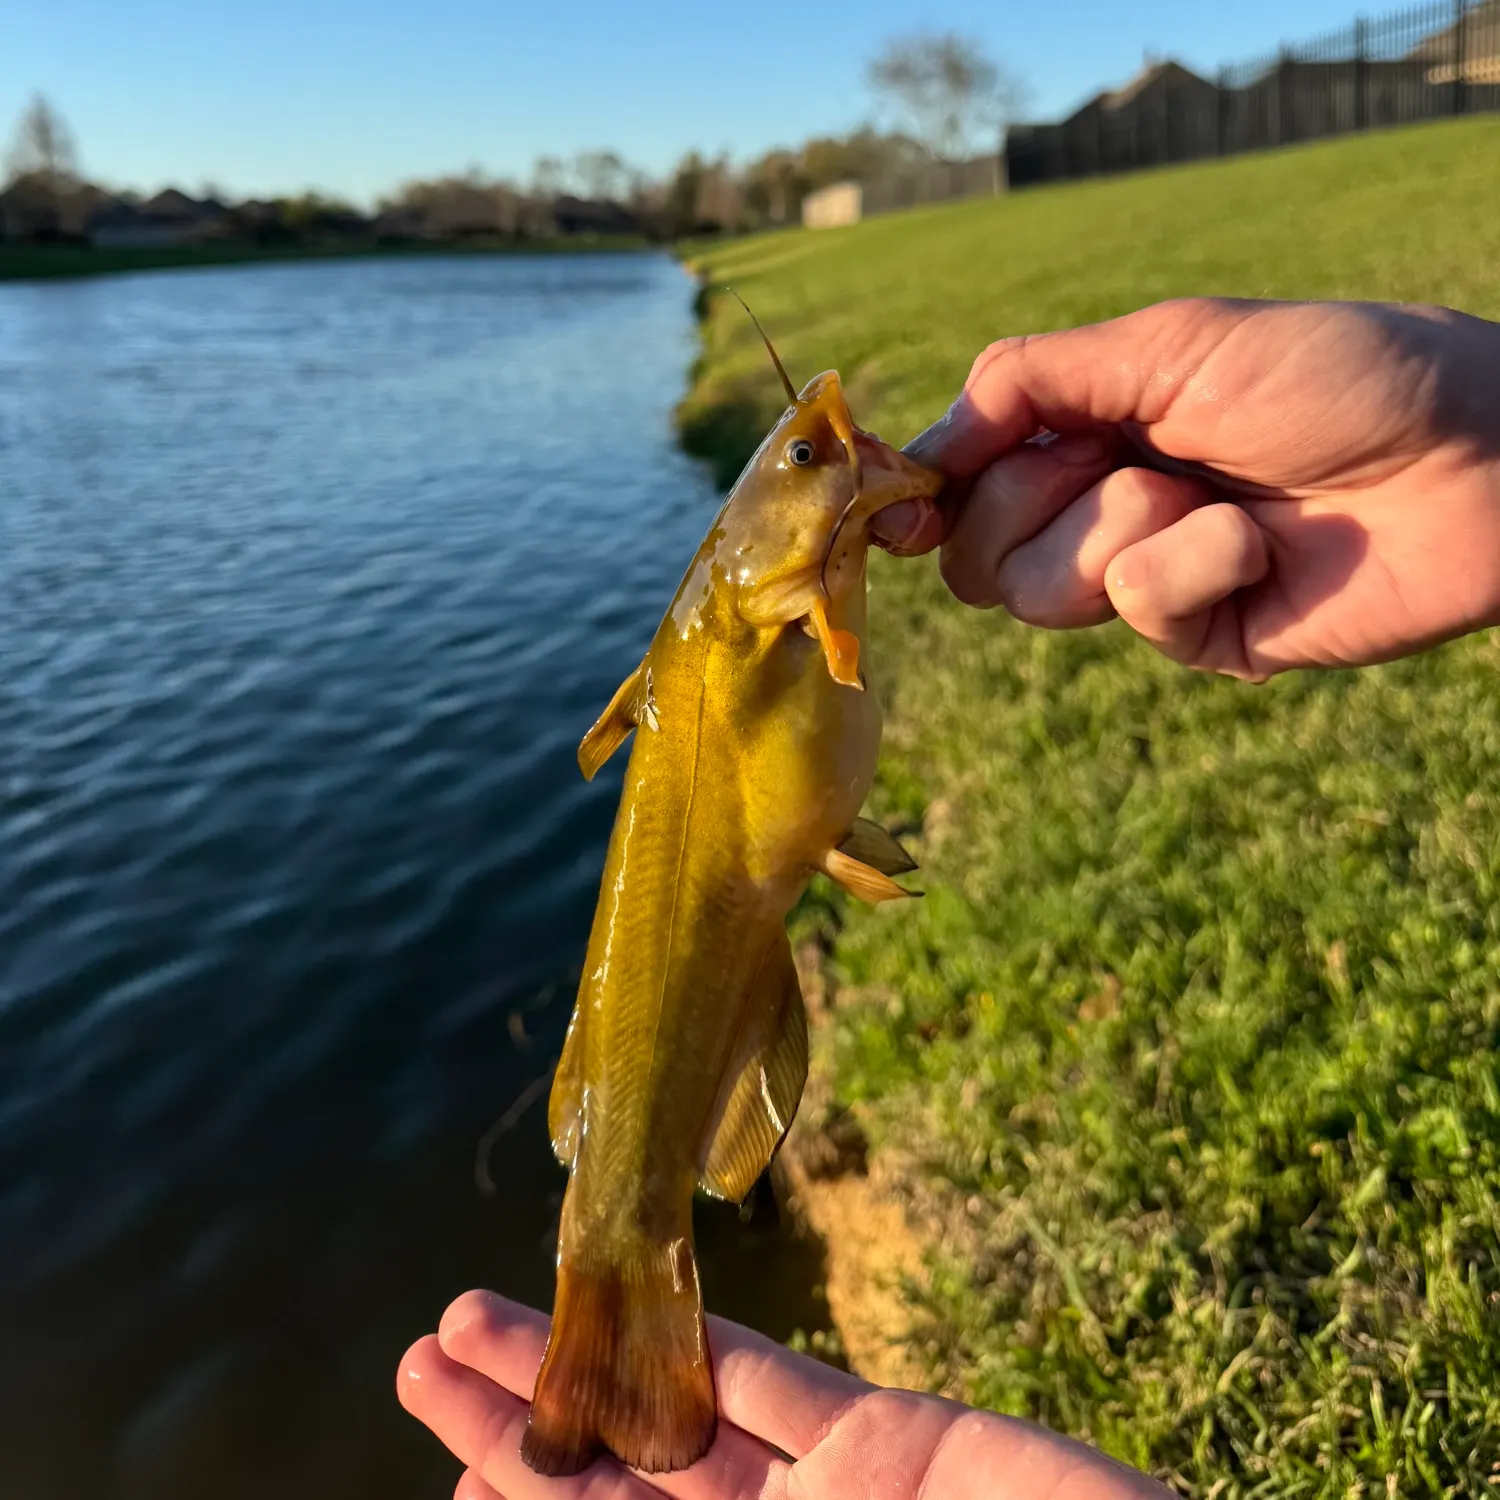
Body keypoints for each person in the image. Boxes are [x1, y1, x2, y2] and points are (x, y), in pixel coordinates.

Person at [397, 296, 1500, 1498]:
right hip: (740, 887)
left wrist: (1466, 433)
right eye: (807, 456)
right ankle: (618, 1260)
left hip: (758, 862)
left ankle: (618, 1264)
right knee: (646, 1142)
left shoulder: (766, 607)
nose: (829, 437)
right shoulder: (755, 622)